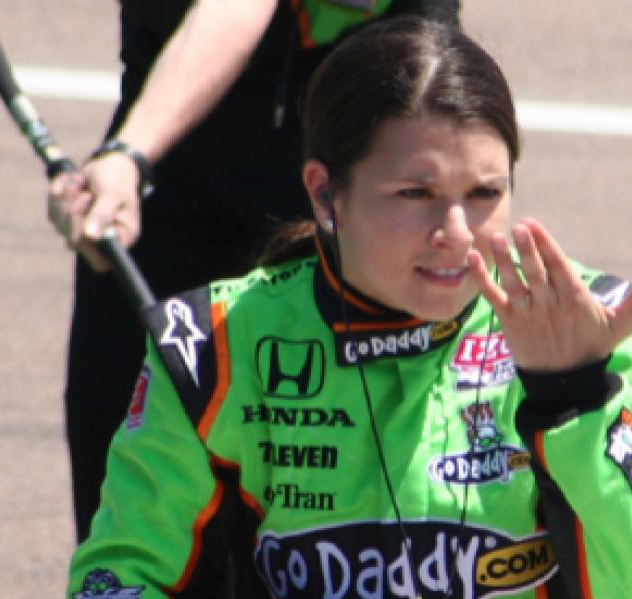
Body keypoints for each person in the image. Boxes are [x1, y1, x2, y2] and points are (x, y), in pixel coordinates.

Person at [66, 16, 632, 599]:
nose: (455, 233)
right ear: (325, 194)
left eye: (484, 194)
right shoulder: (212, 347)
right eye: (415, 194)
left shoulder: (596, 330)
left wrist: (574, 398)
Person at [48, 0, 461, 542]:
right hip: (175, 103)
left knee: (361, 460)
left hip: (355, 111)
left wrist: (129, 153)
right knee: (120, 426)